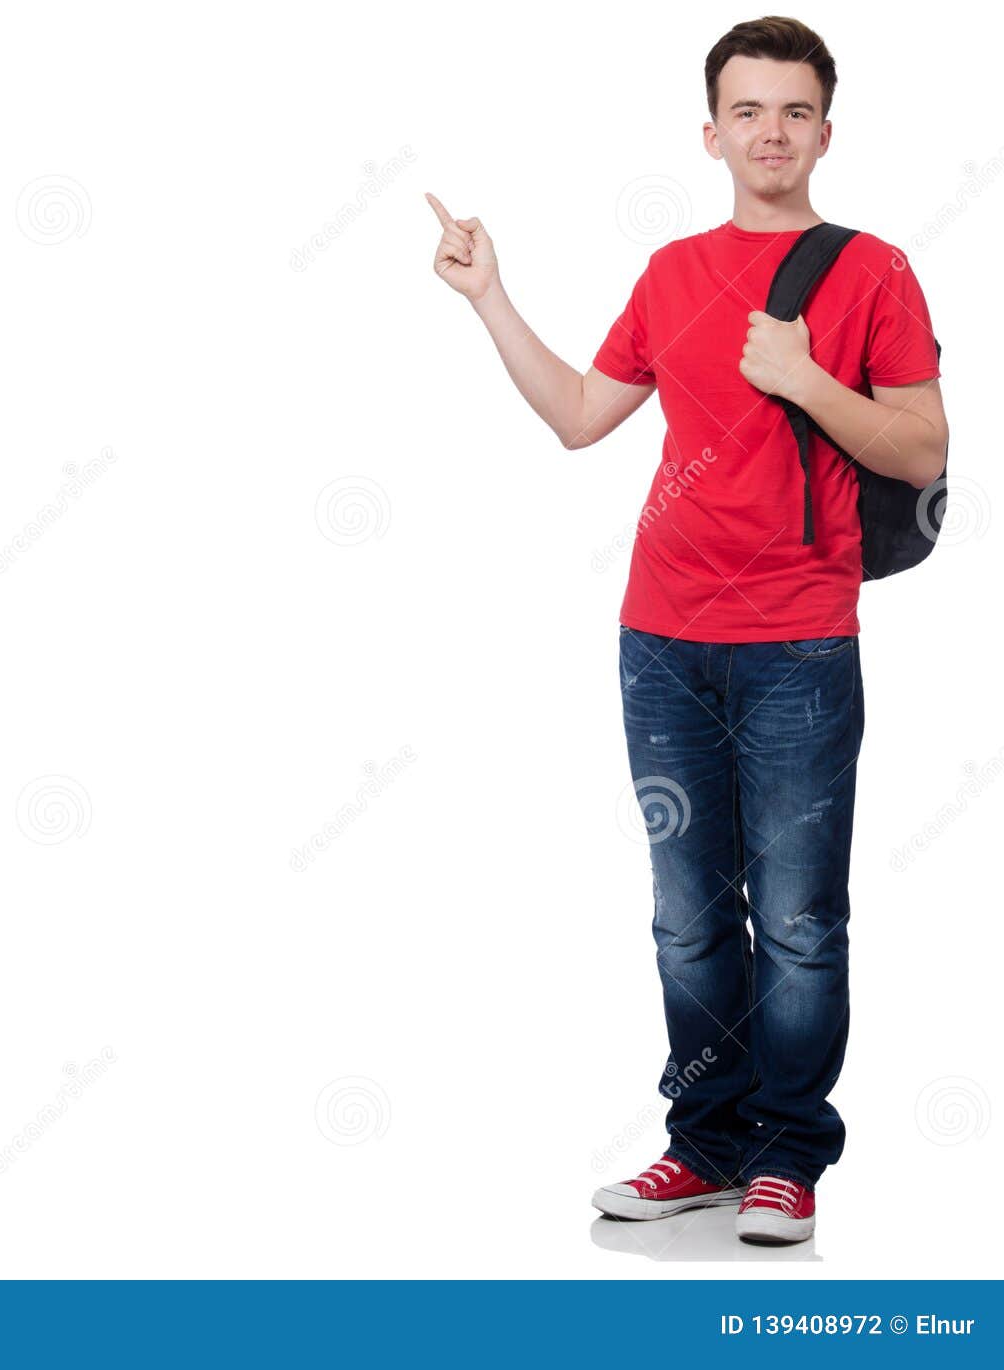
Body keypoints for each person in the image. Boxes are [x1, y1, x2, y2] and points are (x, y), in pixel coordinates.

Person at [425, 16, 945, 1245]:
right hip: (659, 637)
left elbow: (923, 452)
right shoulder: (669, 273)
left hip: (800, 642)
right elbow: (576, 417)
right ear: (710, 134)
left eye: (795, 111)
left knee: (803, 913)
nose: (772, 132)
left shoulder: (871, 272)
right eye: (748, 111)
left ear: (827, 130)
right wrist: (489, 295)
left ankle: (789, 1157)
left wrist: (806, 376)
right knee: (686, 908)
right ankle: (705, 1142)